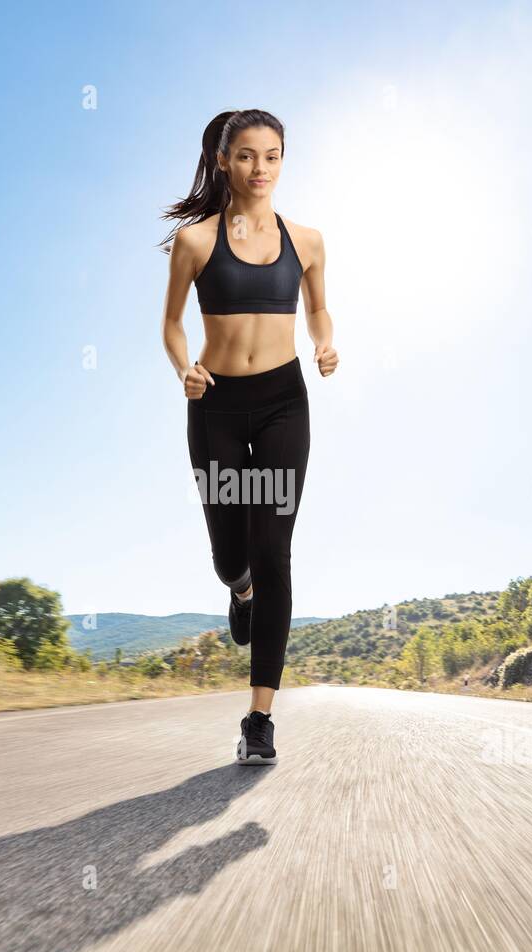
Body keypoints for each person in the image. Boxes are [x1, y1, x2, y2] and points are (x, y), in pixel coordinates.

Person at [159, 109, 338, 765]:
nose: (260, 169)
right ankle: (239, 589)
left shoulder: (310, 240)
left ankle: (259, 718)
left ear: (283, 160)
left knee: (274, 550)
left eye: (272, 156)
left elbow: (318, 306)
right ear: (221, 161)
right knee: (230, 554)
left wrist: (324, 343)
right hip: (218, 407)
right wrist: (186, 369)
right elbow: (172, 325)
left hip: (284, 402)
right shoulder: (196, 242)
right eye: (246, 156)